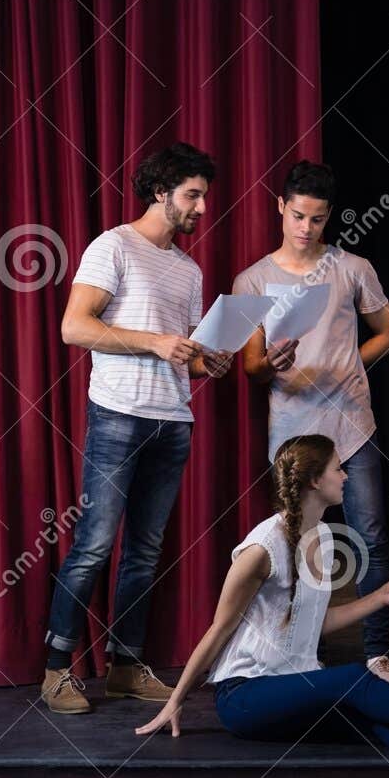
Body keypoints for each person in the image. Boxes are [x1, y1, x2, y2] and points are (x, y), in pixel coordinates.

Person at [134, 436, 389, 778]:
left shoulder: (325, 540)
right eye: (337, 468)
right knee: (355, 677)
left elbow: (317, 624)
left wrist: (379, 598)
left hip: (294, 687)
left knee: (367, 719)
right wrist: (176, 700)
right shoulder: (261, 549)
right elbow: (218, 631)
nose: (346, 475)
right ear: (316, 481)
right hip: (244, 696)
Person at [41, 145, 232, 716]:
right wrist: (155, 342)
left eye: (204, 197)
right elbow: (74, 327)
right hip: (118, 417)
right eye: (193, 195)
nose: (202, 208)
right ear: (161, 192)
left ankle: (125, 666)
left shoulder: (190, 269)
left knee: (145, 552)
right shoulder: (114, 246)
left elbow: (185, 354)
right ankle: (55, 669)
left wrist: (207, 362)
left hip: (174, 421)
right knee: (95, 544)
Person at [235, 162, 389, 683]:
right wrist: (272, 365)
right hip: (293, 433)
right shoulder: (253, 279)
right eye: (298, 215)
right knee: (300, 545)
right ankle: (303, 651)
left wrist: (352, 362)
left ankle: (377, 653)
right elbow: (251, 366)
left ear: (330, 217)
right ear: (280, 207)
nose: (306, 228)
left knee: (370, 536)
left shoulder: (353, 268)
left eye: (318, 218)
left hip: (352, 426)